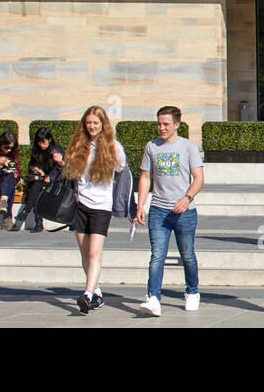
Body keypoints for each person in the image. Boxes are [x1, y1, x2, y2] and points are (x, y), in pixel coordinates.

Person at [134, 105, 205, 316]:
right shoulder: (151, 147)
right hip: (159, 210)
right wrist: (140, 205)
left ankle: (192, 291)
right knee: (157, 255)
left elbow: (198, 178)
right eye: (159, 123)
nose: (161, 128)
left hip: (185, 211)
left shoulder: (188, 147)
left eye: (166, 124)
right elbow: (146, 177)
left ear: (176, 125)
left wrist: (187, 197)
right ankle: (153, 297)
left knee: (188, 255)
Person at [61, 105, 128, 314]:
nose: (91, 126)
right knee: (84, 251)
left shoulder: (113, 147)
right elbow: (71, 172)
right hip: (80, 204)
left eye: (96, 123)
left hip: (101, 206)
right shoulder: (78, 144)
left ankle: (88, 294)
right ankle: (96, 291)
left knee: (93, 251)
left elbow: (122, 170)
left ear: (103, 125)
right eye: (88, 122)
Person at [10, 126, 64, 232]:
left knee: (38, 189)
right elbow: (31, 165)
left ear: (49, 140)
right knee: (36, 185)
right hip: (39, 179)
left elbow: (60, 168)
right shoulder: (36, 150)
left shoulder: (56, 149)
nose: (41, 145)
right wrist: (34, 169)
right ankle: (37, 222)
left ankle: (26, 213)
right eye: (39, 142)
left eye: (43, 142)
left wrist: (50, 177)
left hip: (55, 180)